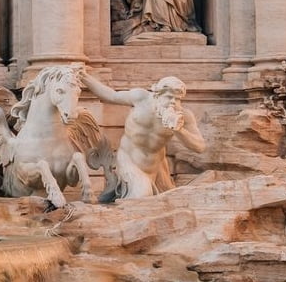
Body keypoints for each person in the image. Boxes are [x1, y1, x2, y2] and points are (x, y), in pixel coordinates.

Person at [79, 71, 205, 200]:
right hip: (129, 160)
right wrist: (84, 77)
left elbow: (199, 147)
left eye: (178, 99)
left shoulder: (183, 116)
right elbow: (111, 96)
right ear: (157, 94)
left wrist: (179, 130)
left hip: (157, 167)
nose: (173, 102)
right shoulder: (140, 98)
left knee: (168, 202)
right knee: (142, 196)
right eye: (169, 97)